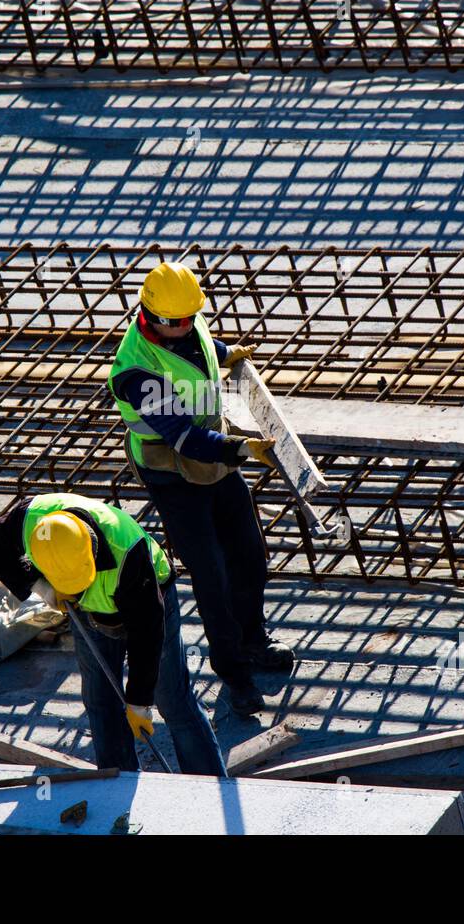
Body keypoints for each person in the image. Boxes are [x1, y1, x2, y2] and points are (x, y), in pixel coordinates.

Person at [107, 260, 295, 716]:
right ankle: (234, 673)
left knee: (248, 553)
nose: (187, 325)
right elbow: (184, 438)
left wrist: (226, 351)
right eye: (177, 322)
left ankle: (253, 640)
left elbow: (200, 343)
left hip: (215, 457)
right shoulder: (135, 372)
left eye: (192, 317)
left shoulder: (183, 318)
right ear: (150, 316)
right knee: (210, 573)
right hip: (173, 471)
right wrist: (243, 452)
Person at [0, 491, 225, 776]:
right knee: (101, 700)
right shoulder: (29, 522)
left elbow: (147, 635)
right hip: (87, 612)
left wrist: (139, 701)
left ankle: (208, 783)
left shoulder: (129, 554)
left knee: (173, 700)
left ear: (90, 551)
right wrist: (43, 587)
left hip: (149, 600)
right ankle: (117, 787)